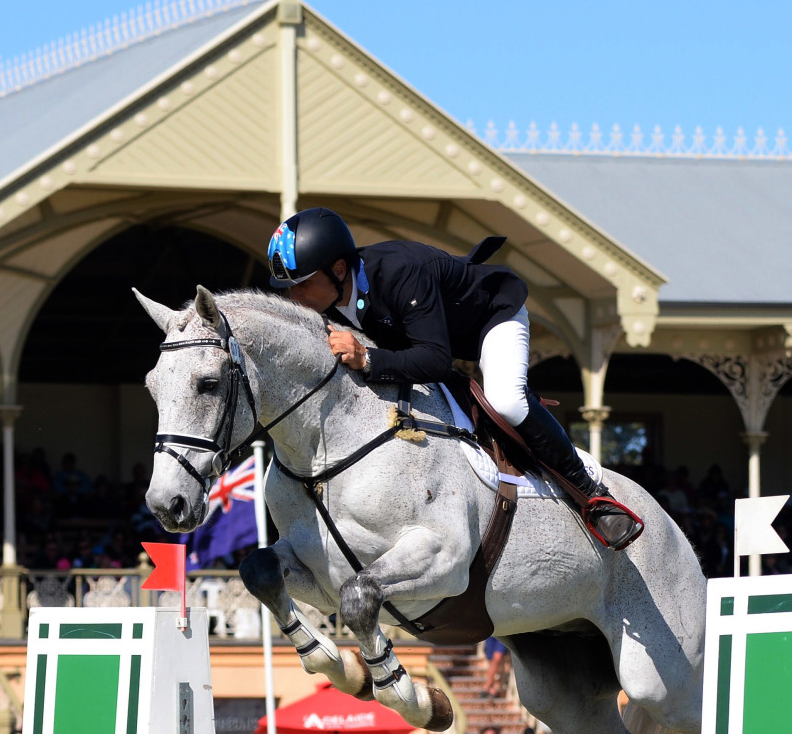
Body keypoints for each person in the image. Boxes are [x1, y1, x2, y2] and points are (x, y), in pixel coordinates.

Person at [266, 207, 642, 549]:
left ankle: (595, 498)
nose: (294, 295)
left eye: (302, 283)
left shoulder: (399, 273)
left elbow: (435, 359)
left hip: (491, 319)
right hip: (438, 341)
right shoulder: (328, 305)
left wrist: (365, 357)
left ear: (339, 270)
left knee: (506, 400)